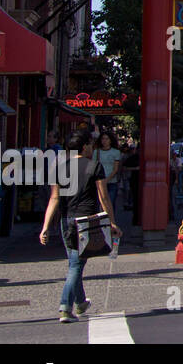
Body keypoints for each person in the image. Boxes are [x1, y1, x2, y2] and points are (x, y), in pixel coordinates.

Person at [39, 128, 121, 323]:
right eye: (90, 145)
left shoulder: (59, 168)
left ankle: (81, 302)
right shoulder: (94, 166)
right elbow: (103, 197)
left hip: (66, 220)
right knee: (76, 265)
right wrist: (111, 222)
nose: (92, 148)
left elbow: (54, 199)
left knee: (74, 263)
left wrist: (45, 227)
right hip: (87, 221)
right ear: (84, 147)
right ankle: (65, 308)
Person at [94, 133, 123, 212]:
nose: (104, 141)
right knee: (99, 204)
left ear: (110, 140)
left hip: (111, 182)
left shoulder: (116, 152)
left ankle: (110, 221)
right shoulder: (96, 152)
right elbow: (93, 166)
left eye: (107, 139)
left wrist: (107, 179)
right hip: (99, 182)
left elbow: (115, 169)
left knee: (110, 203)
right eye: (103, 138)